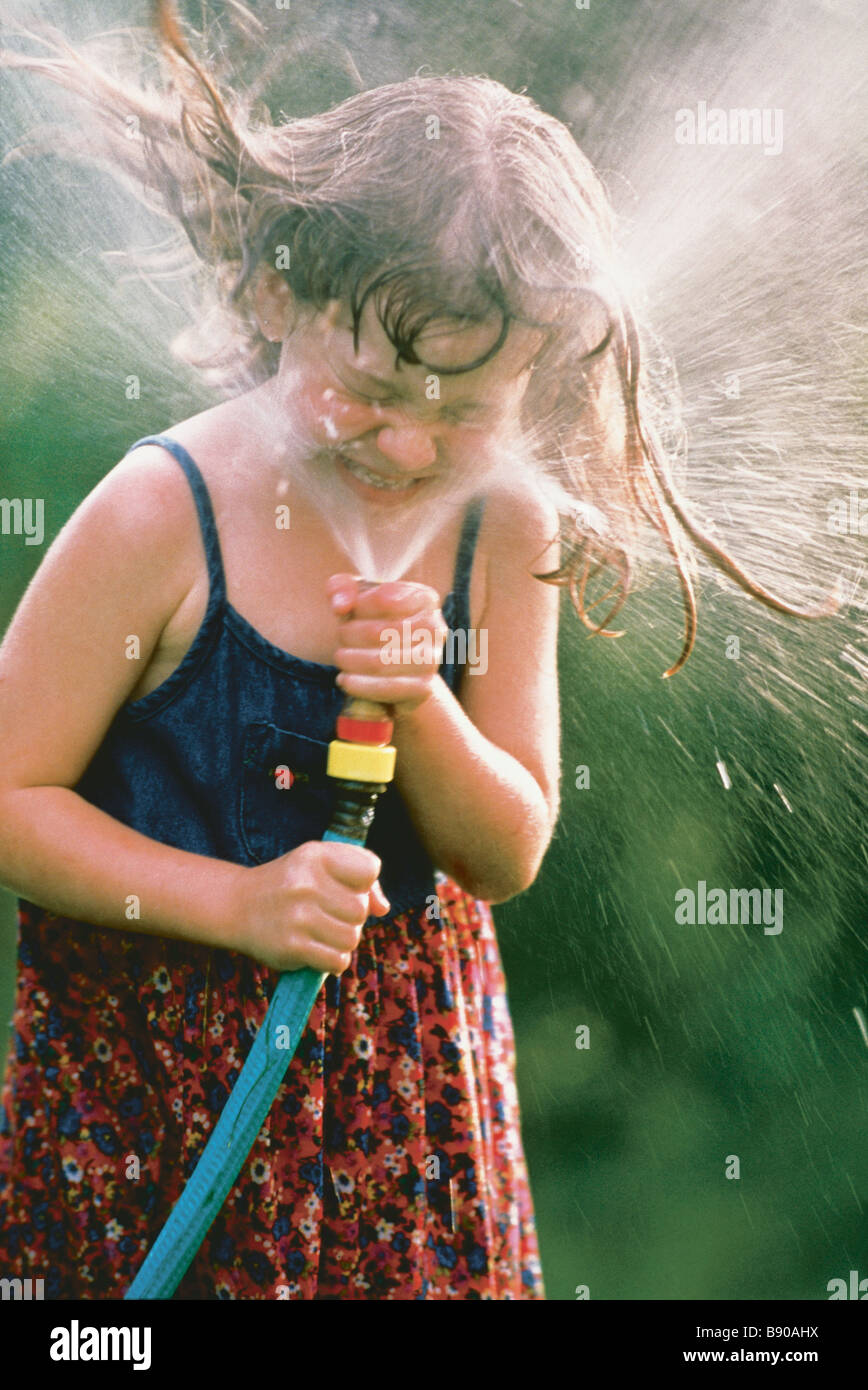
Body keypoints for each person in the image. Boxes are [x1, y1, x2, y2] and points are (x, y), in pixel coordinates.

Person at [0, 1, 827, 1299]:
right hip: (161, 1095)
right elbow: (9, 796)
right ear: (280, 290)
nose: (405, 445)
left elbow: (506, 849)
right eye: (376, 390)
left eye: (463, 411)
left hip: (407, 1106)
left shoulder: (499, 524)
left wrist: (423, 709)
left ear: (534, 383)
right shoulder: (164, 511)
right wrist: (236, 904)